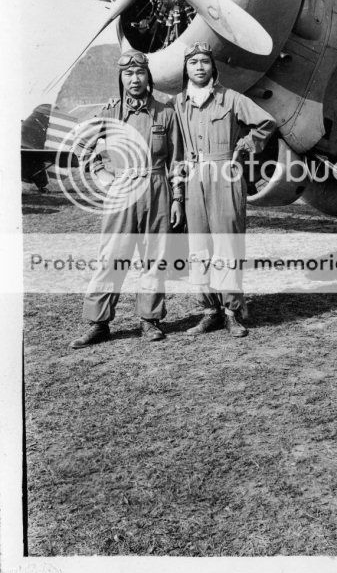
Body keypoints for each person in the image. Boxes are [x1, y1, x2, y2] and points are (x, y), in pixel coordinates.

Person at [70, 50, 184, 348]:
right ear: (121, 78)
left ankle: (150, 320)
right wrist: (102, 174)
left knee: (155, 257)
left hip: (158, 188)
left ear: (149, 77)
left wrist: (177, 198)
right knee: (112, 256)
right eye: (128, 74)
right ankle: (98, 323)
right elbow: (82, 145)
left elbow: (178, 161)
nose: (135, 79)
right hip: (122, 189)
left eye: (140, 73)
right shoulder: (111, 113)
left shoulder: (167, 113)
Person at [175, 41, 276, 338]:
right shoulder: (179, 104)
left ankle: (232, 311)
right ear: (186, 68)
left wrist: (243, 147)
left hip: (226, 175)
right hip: (194, 176)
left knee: (227, 244)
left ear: (213, 67)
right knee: (199, 247)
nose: (199, 67)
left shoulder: (231, 98)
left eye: (205, 61)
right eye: (193, 63)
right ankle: (210, 311)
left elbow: (266, 122)